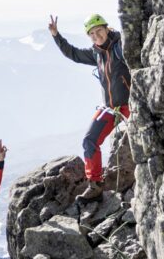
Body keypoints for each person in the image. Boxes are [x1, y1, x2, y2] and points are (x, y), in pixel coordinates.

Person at [48, 13, 131, 201]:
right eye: (91, 34)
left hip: (130, 105)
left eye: (99, 31)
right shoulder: (97, 53)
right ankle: (95, 184)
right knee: (89, 141)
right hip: (110, 107)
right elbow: (74, 54)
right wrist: (56, 35)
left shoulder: (121, 47)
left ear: (107, 29)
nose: (96, 36)